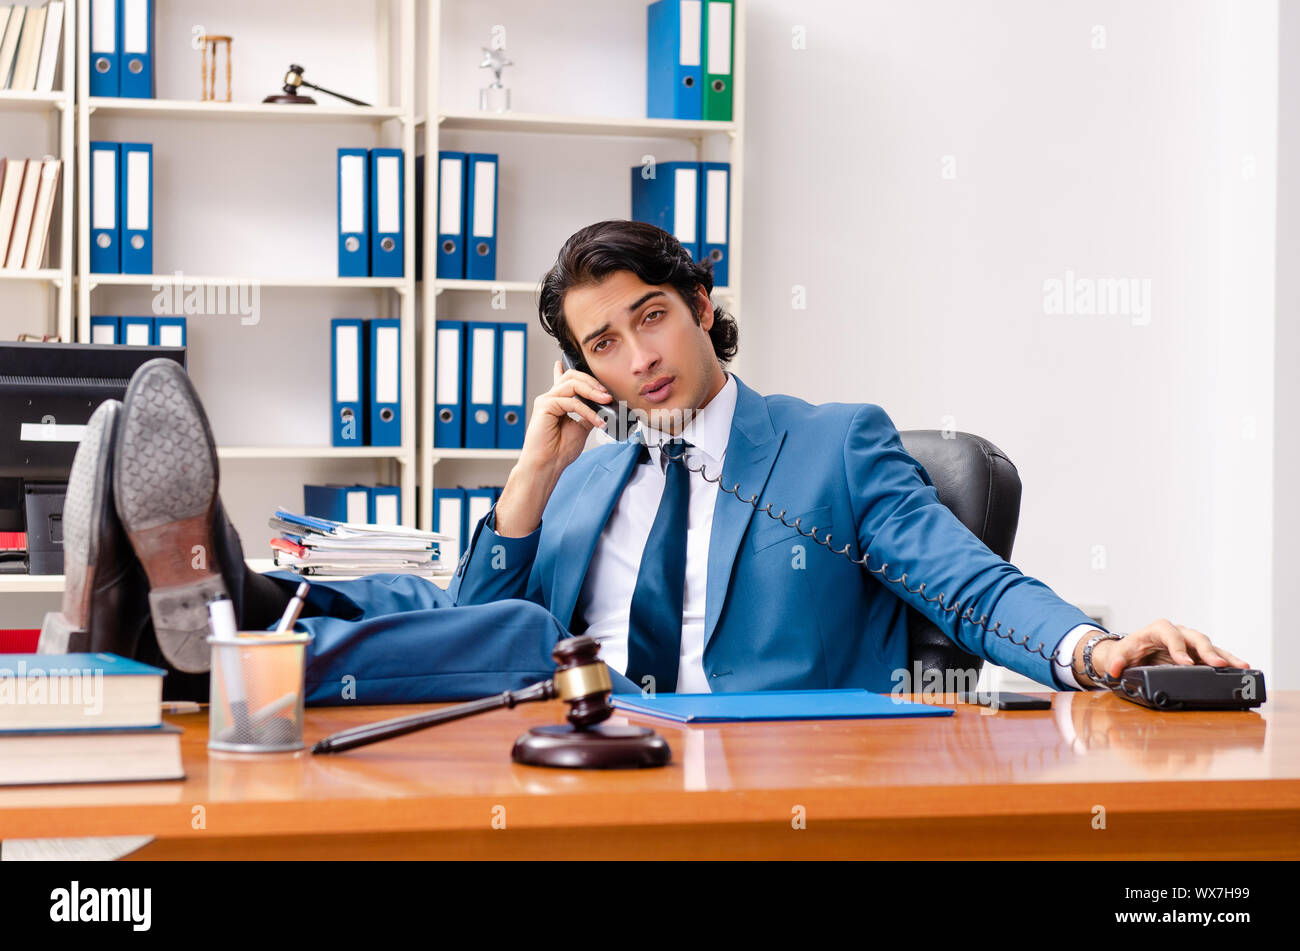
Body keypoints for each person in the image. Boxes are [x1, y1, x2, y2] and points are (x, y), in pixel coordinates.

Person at [42, 219, 1248, 704]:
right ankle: (221, 608)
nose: (638, 360)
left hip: (730, 753)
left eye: (651, 318)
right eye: (604, 343)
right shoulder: (596, 474)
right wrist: (529, 475)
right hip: (568, 743)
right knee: (448, 610)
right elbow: (460, 630)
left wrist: (1093, 650)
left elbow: (963, 582)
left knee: (520, 643)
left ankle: (213, 639)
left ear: (700, 302)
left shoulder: (834, 443)